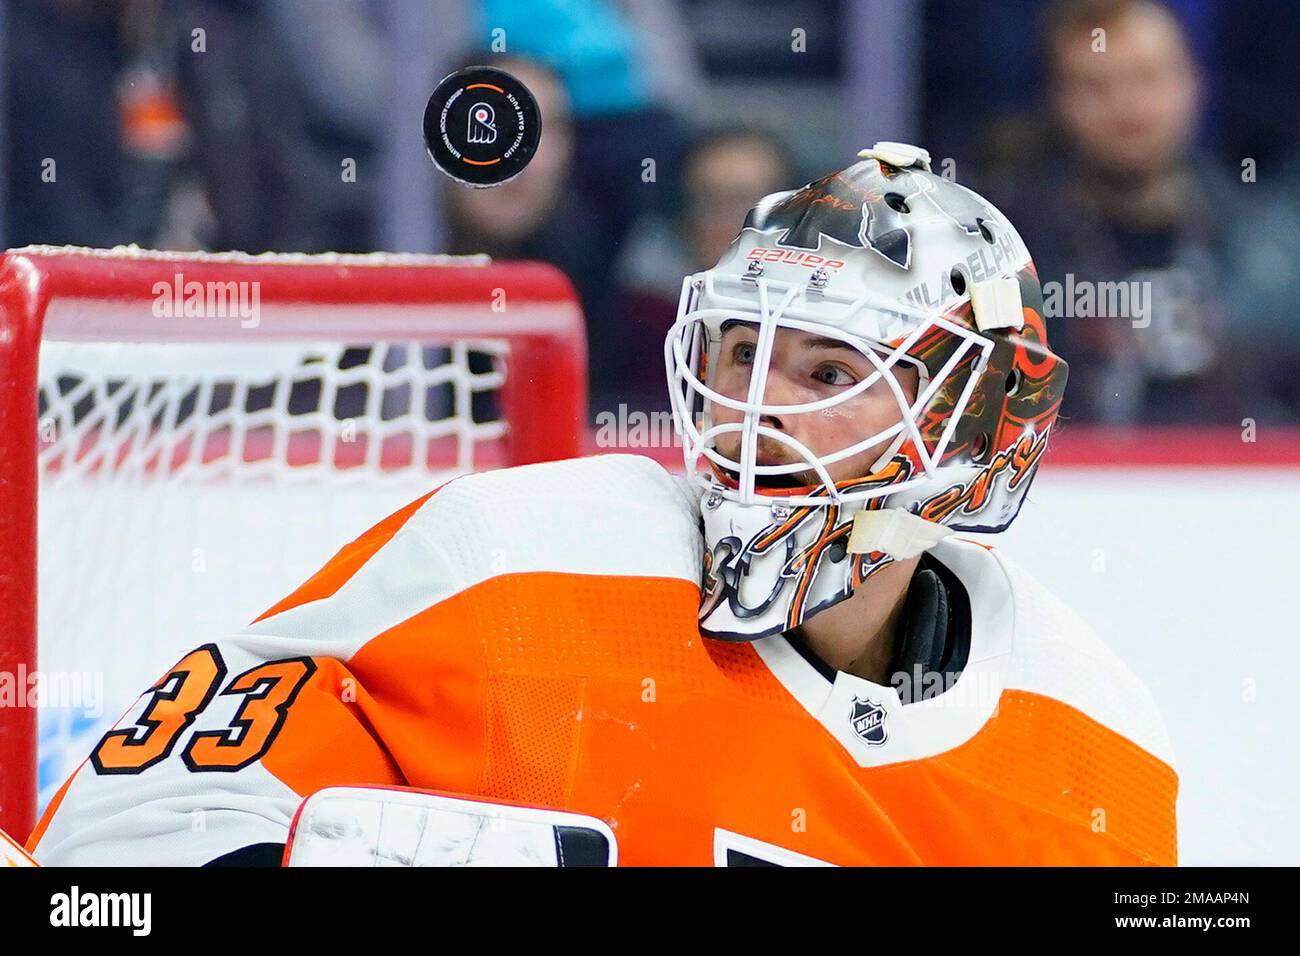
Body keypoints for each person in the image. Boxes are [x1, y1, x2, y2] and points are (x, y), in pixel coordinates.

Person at [28, 143, 1177, 866]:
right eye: (738, 353)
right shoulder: (521, 562)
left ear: (975, 428)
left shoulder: (1095, 752)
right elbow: (115, 838)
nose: (748, 408)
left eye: (827, 374)